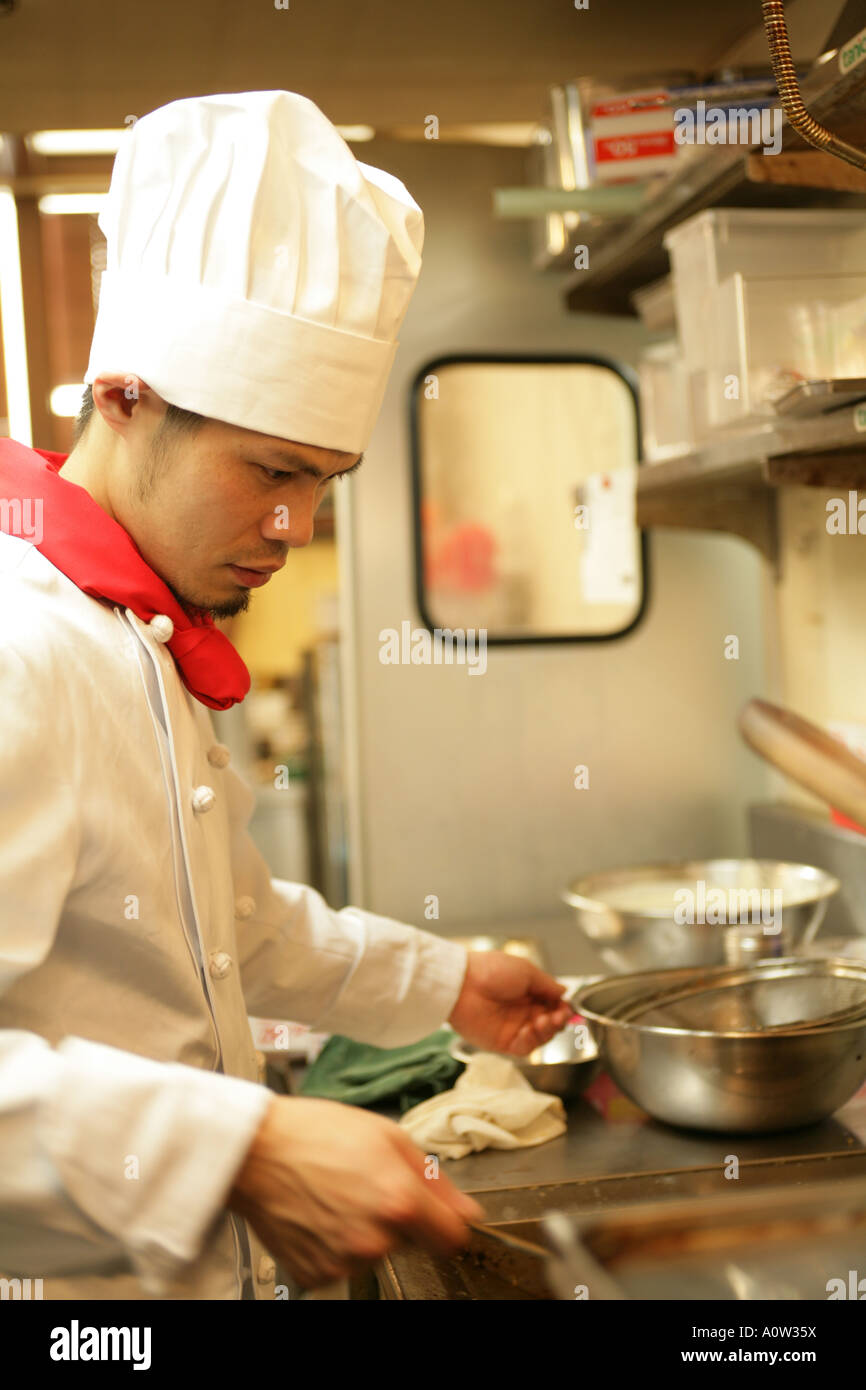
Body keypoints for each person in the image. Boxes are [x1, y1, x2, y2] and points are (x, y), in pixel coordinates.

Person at [0, 90, 573, 1300]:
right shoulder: (20, 646)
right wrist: (239, 1147)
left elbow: (222, 930)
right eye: (269, 471)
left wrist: (445, 982)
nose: (292, 529)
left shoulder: (136, 633)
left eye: (323, 483)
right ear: (122, 396)